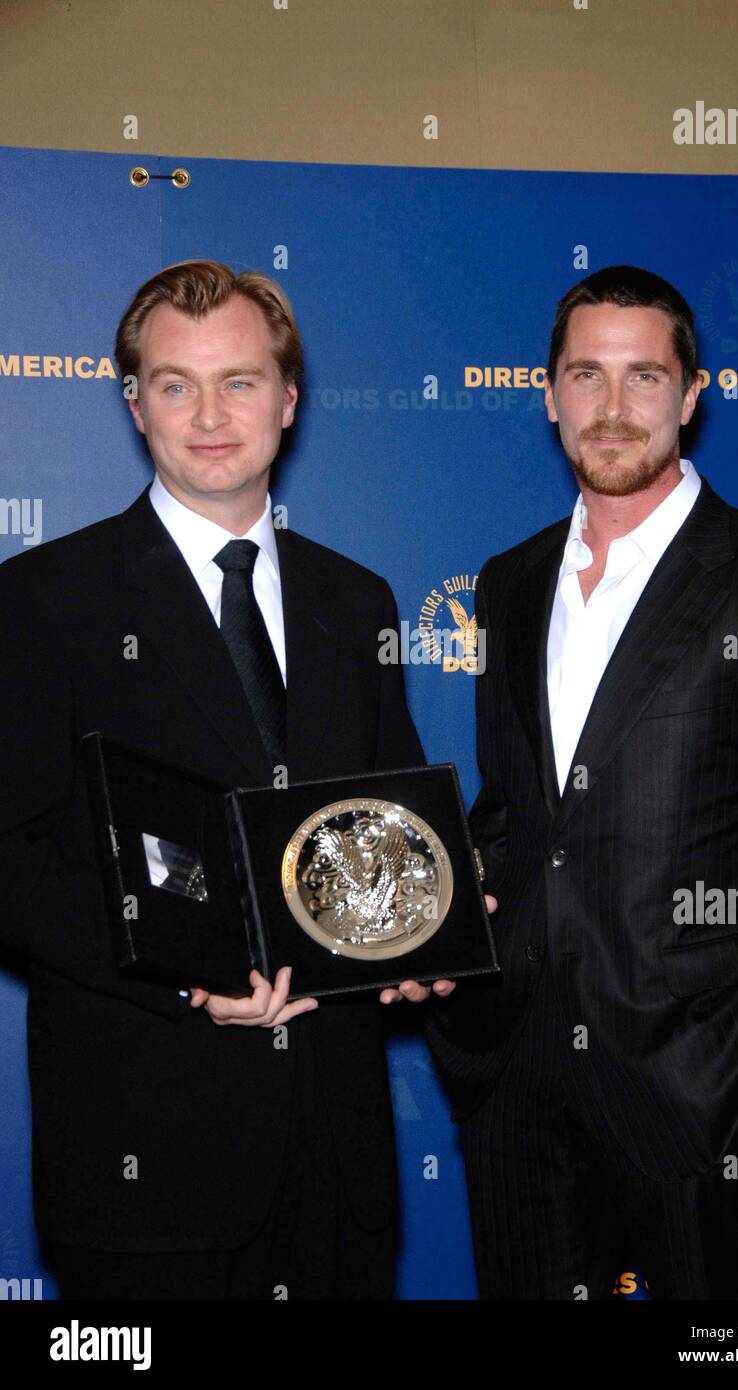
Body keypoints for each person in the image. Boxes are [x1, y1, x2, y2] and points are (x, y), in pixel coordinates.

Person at [0, 259, 451, 1301]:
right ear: (133, 402)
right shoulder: (44, 600)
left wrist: (420, 937)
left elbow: (376, 830)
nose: (209, 414)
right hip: (146, 1159)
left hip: (334, 1161)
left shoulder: (357, 600)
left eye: (239, 381)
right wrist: (179, 971)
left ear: (287, 400)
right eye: (173, 383)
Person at [427, 265, 738, 1300]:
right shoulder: (509, 580)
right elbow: (514, 812)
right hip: (518, 1081)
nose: (612, 408)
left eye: (642, 377)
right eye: (585, 375)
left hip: (697, 1093)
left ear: (690, 395)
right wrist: (437, 925)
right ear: (546, 394)